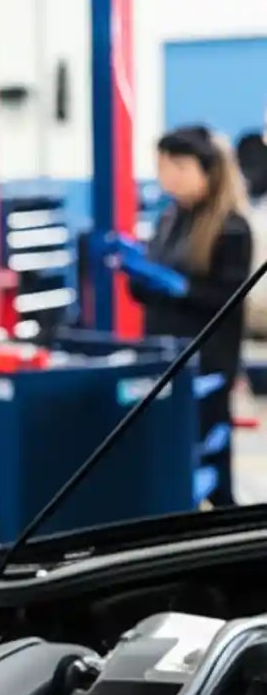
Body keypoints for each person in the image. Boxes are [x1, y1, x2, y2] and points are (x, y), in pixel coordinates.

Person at [127, 125, 252, 508]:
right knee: (170, 455)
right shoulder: (168, 221)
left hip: (208, 357)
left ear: (207, 170)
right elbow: (147, 290)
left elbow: (227, 297)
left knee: (210, 449)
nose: (168, 177)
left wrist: (179, 287)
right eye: (163, 167)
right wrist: (137, 273)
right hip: (165, 352)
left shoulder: (231, 227)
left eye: (179, 167)